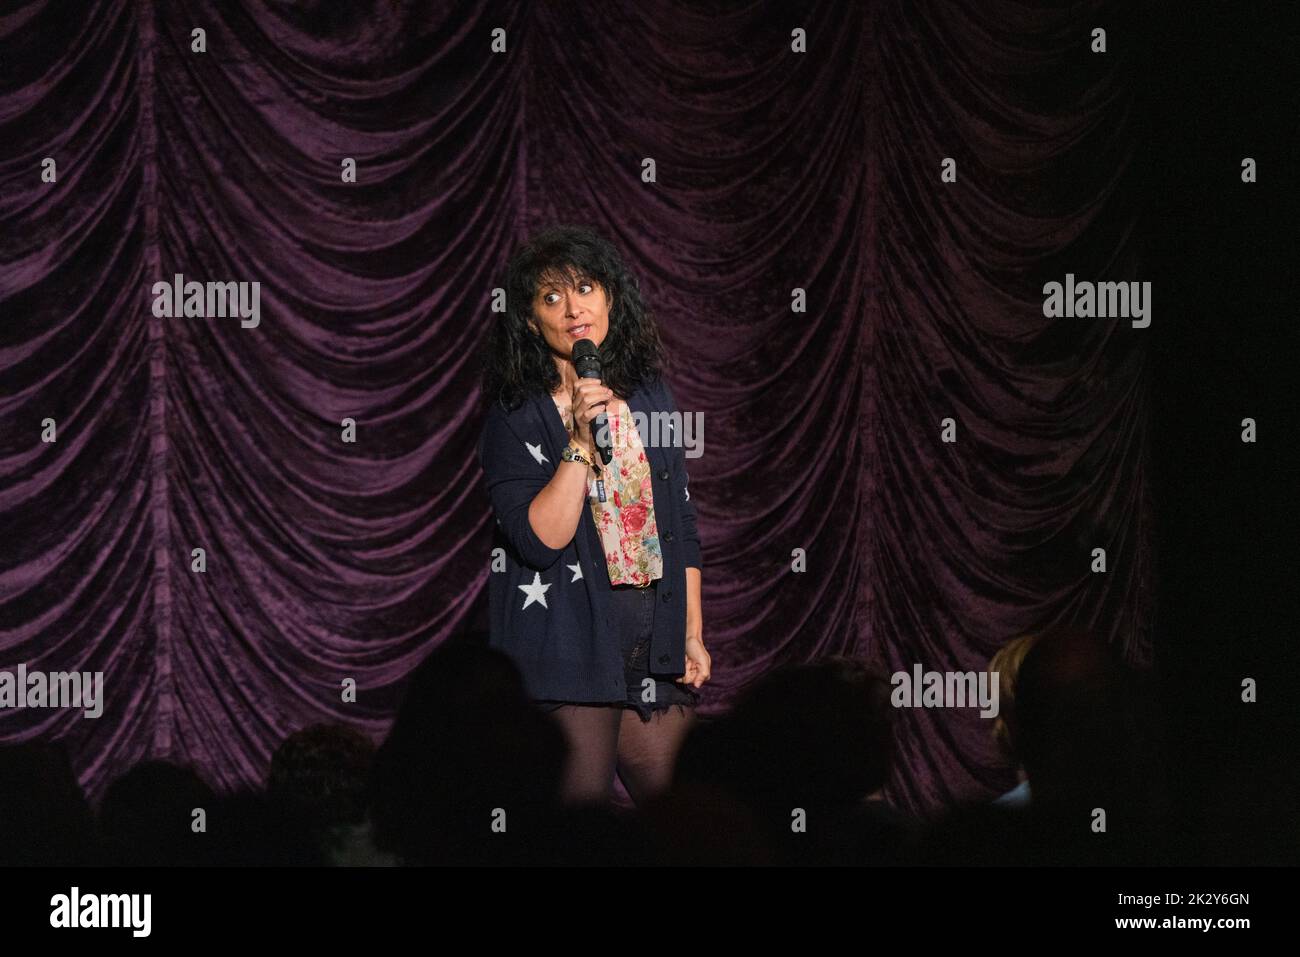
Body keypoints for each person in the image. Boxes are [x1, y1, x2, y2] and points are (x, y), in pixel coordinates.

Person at [477, 224, 711, 807]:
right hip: (569, 643)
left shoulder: (651, 397)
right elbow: (539, 541)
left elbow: (679, 525)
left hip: (650, 643)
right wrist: (579, 440)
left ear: (610, 297)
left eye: (585, 287)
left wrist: (691, 632)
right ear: (531, 321)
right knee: (572, 840)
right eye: (551, 298)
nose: (574, 308)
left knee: (695, 828)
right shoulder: (515, 416)